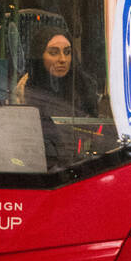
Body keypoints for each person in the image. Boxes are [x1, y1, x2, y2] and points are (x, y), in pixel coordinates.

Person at [15, 26, 98, 167]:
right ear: (39, 55)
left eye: (67, 52)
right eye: (54, 53)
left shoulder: (83, 86)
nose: (62, 59)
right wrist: (19, 104)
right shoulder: (26, 89)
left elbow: (94, 132)